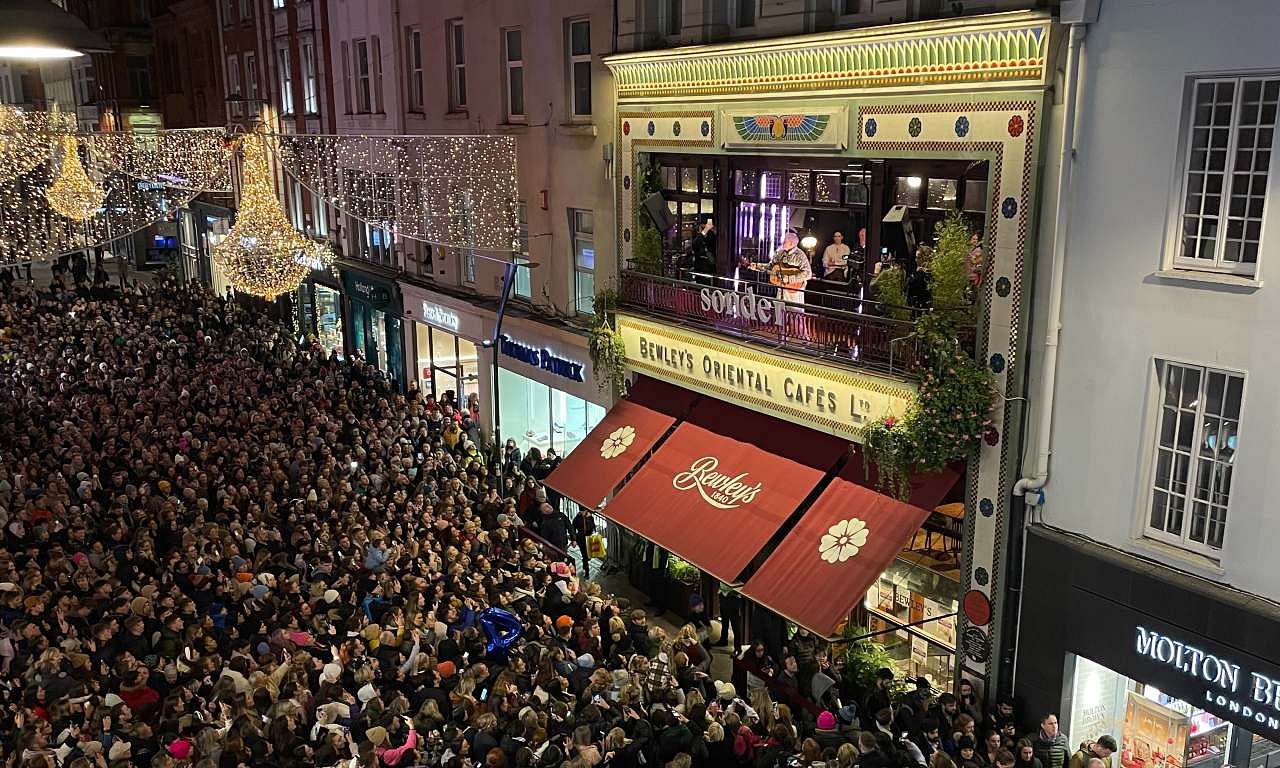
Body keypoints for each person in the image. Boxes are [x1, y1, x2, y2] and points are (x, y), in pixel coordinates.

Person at [747, 229, 812, 306]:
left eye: (784, 242)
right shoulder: (780, 253)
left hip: (794, 291)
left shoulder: (800, 255)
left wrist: (789, 278)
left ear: (791, 243)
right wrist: (757, 266)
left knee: (793, 313)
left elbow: (808, 274)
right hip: (781, 289)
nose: (782, 243)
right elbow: (771, 267)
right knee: (779, 313)